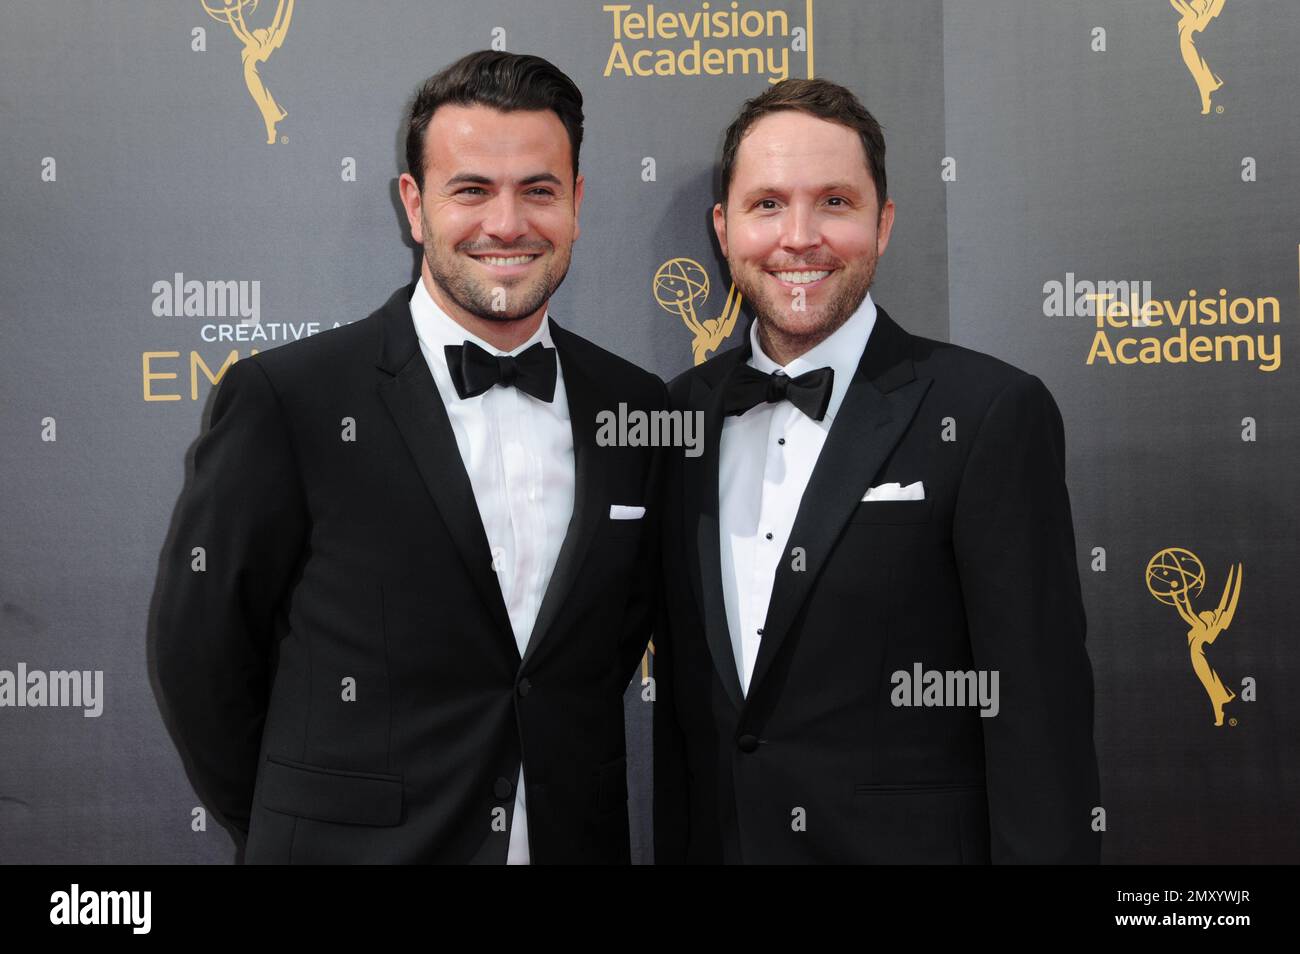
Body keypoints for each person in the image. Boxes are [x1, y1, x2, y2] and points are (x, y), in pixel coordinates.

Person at [155, 50, 665, 864]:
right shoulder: (290, 399)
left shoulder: (636, 408)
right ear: (415, 205)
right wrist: (300, 825)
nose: (507, 224)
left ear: (576, 206)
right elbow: (199, 658)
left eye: (538, 189)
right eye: (471, 189)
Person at [654, 77, 1101, 863]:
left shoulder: (990, 412)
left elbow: (1039, 715)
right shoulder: (674, 419)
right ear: (723, 229)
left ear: (882, 223)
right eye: (766, 205)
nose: (799, 237)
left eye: (834, 202)